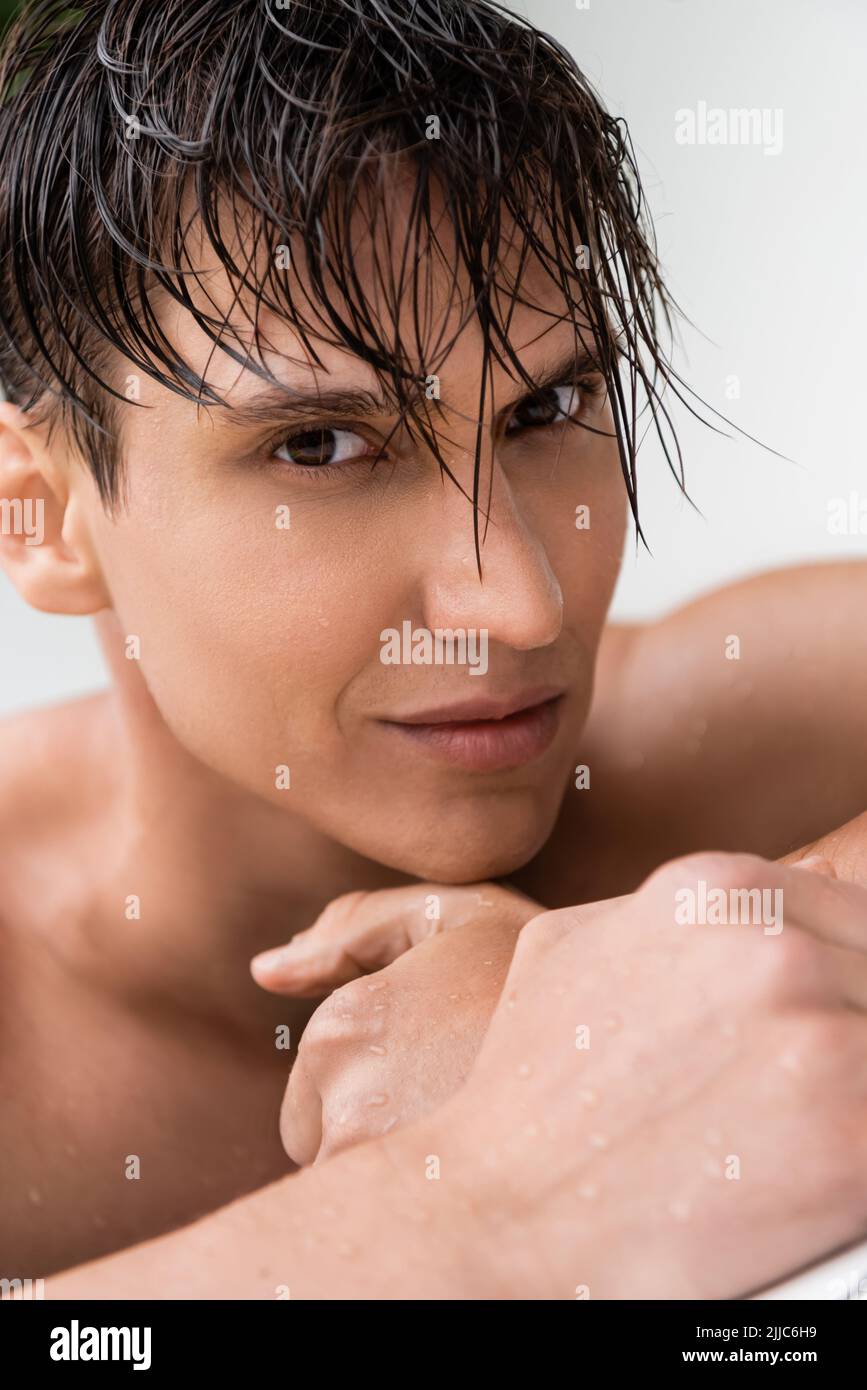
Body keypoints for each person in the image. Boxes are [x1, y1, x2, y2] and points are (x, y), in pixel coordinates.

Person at [0, 0, 865, 1297]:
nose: (518, 603)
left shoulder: (703, 736)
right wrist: (492, 1188)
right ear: (42, 514)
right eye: (319, 446)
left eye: (547, 407)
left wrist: (641, 972)